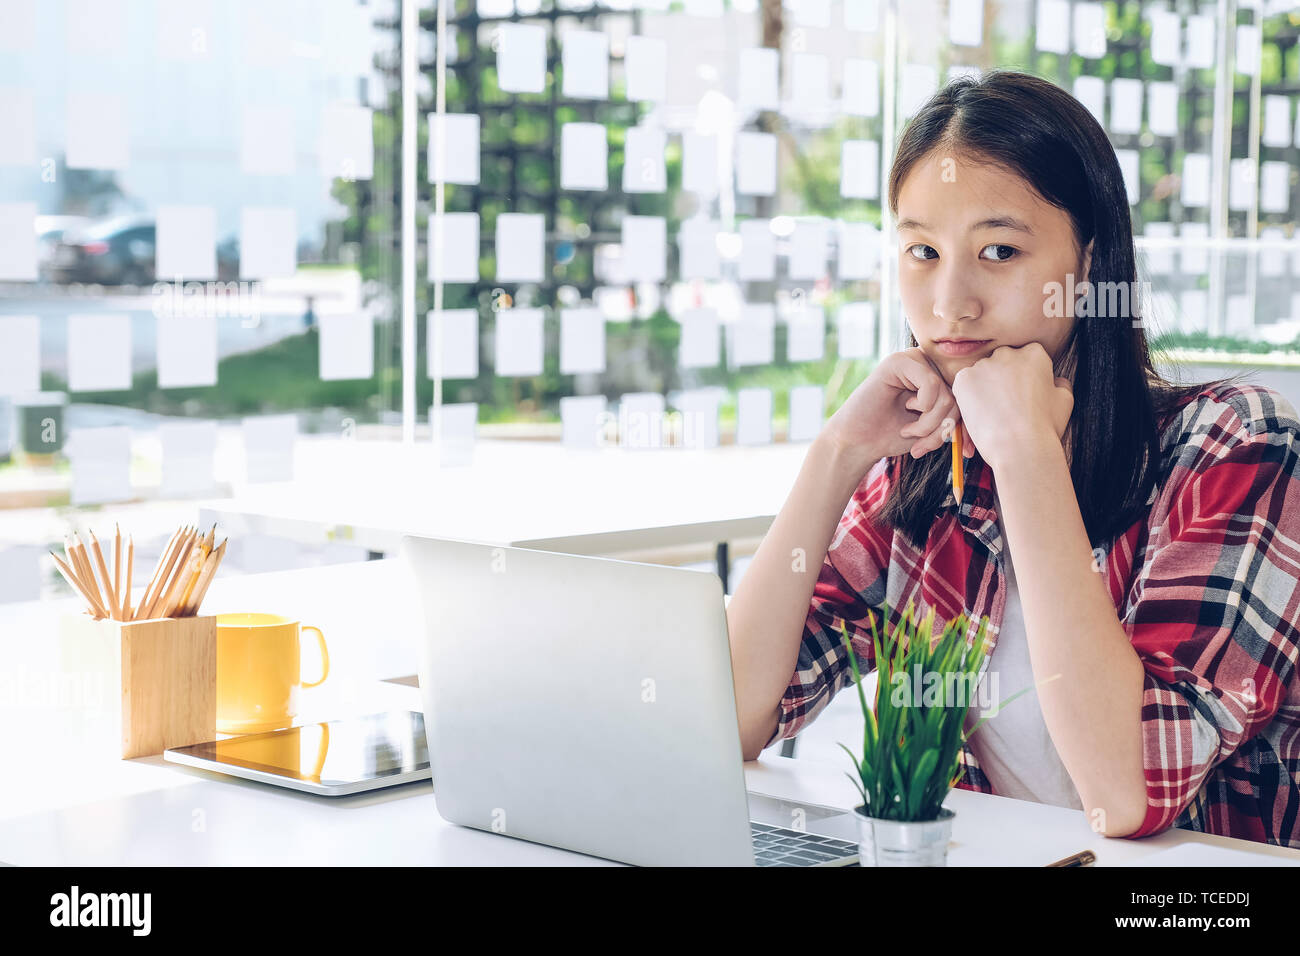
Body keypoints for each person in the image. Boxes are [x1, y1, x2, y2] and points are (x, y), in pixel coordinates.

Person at [726, 70, 1300, 849]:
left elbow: (1126, 793)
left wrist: (1029, 457)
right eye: (922, 250)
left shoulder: (1238, 445)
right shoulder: (924, 469)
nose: (950, 301)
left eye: (999, 250)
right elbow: (729, 718)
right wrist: (836, 456)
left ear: (1089, 265)